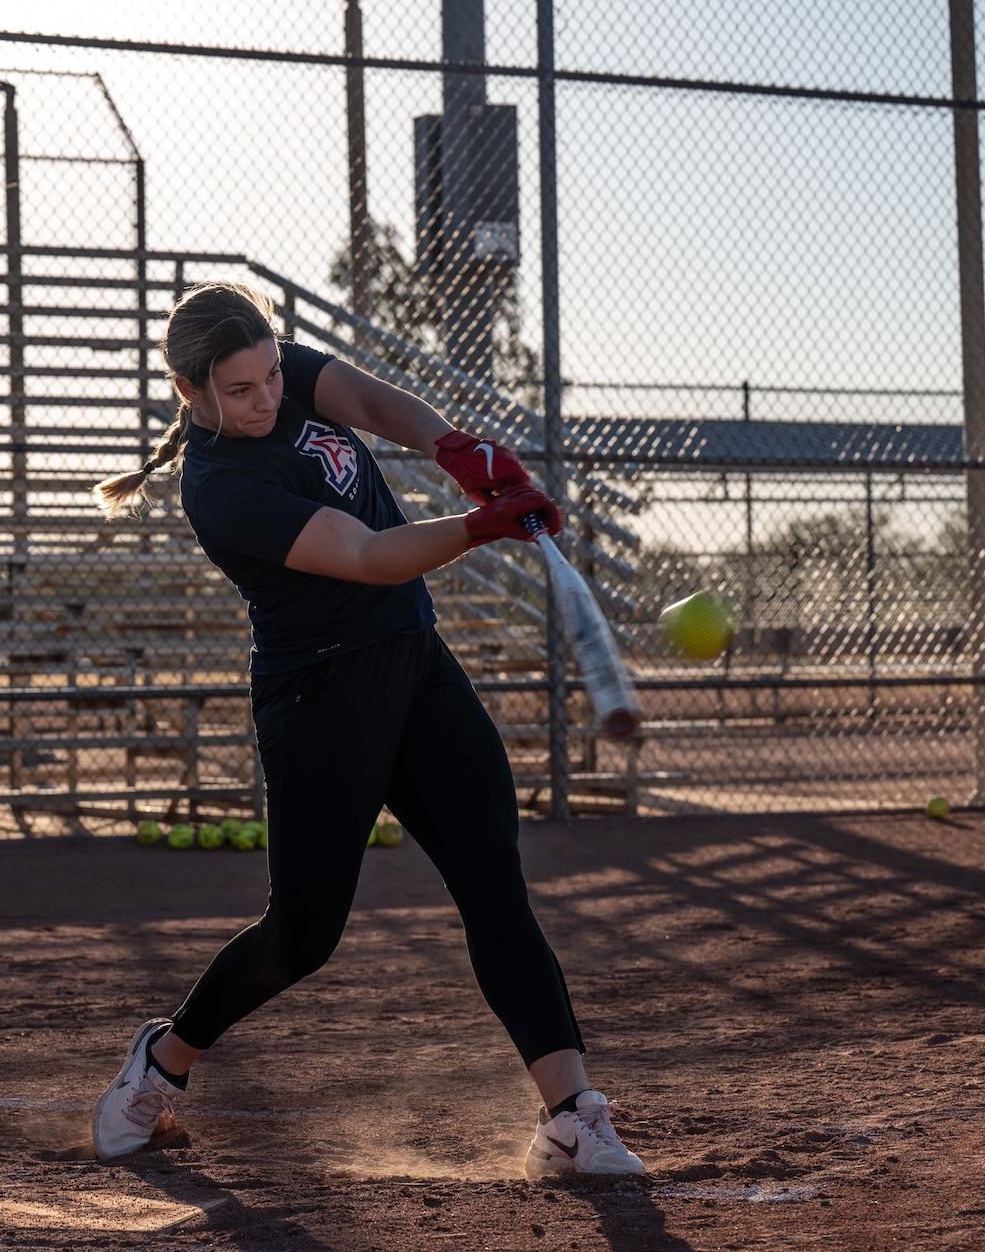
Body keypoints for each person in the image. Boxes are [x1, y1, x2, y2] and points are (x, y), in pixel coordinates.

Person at [86, 283, 643, 1178]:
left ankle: (573, 1115)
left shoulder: (278, 370)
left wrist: (451, 445)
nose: (268, 396)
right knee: (303, 935)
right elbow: (368, 556)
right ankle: (164, 1059)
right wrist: (477, 524)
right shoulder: (220, 486)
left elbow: (375, 403)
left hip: (416, 666)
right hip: (320, 699)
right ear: (191, 393)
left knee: (496, 887)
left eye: (272, 374)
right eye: (241, 390)